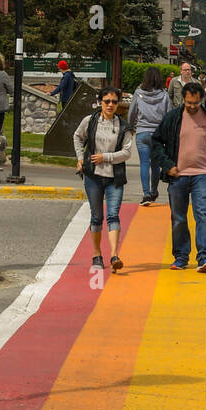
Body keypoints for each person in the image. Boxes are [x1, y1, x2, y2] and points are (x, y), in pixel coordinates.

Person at [150, 81, 206, 273]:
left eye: (195, 103)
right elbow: (155, 142)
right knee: (178, 217)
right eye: (188, 103)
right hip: (178, 176)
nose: (192, 106)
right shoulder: (172, 118)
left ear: (201, 100)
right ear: (183, 100)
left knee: (202, 214)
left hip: (202, 175)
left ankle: (204, 257)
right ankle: (181, 256)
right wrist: (168, 166)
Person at [74, 84, 137, 272]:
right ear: (100, 102)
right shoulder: (90, 121)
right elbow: (77, 137)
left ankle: (114, 255)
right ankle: (96, 254)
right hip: (93, 176)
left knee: (113, 215)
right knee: (96, 217)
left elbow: (126, 152)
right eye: (107, 101)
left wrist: (106, 157)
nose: (110, 105)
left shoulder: (123, 126)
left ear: (118, 105)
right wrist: (79, 158)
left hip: (114, 178)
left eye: (114, 102)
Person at [127, 66, 170, 204]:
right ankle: (153, 191)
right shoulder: (164, 95)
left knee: (144, 164)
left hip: (142, 132)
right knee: (155, 165)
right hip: (157, 134)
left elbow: (132, 113)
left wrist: (130, 126)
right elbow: (169, 115)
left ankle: (145, 194)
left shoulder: (138, 93)